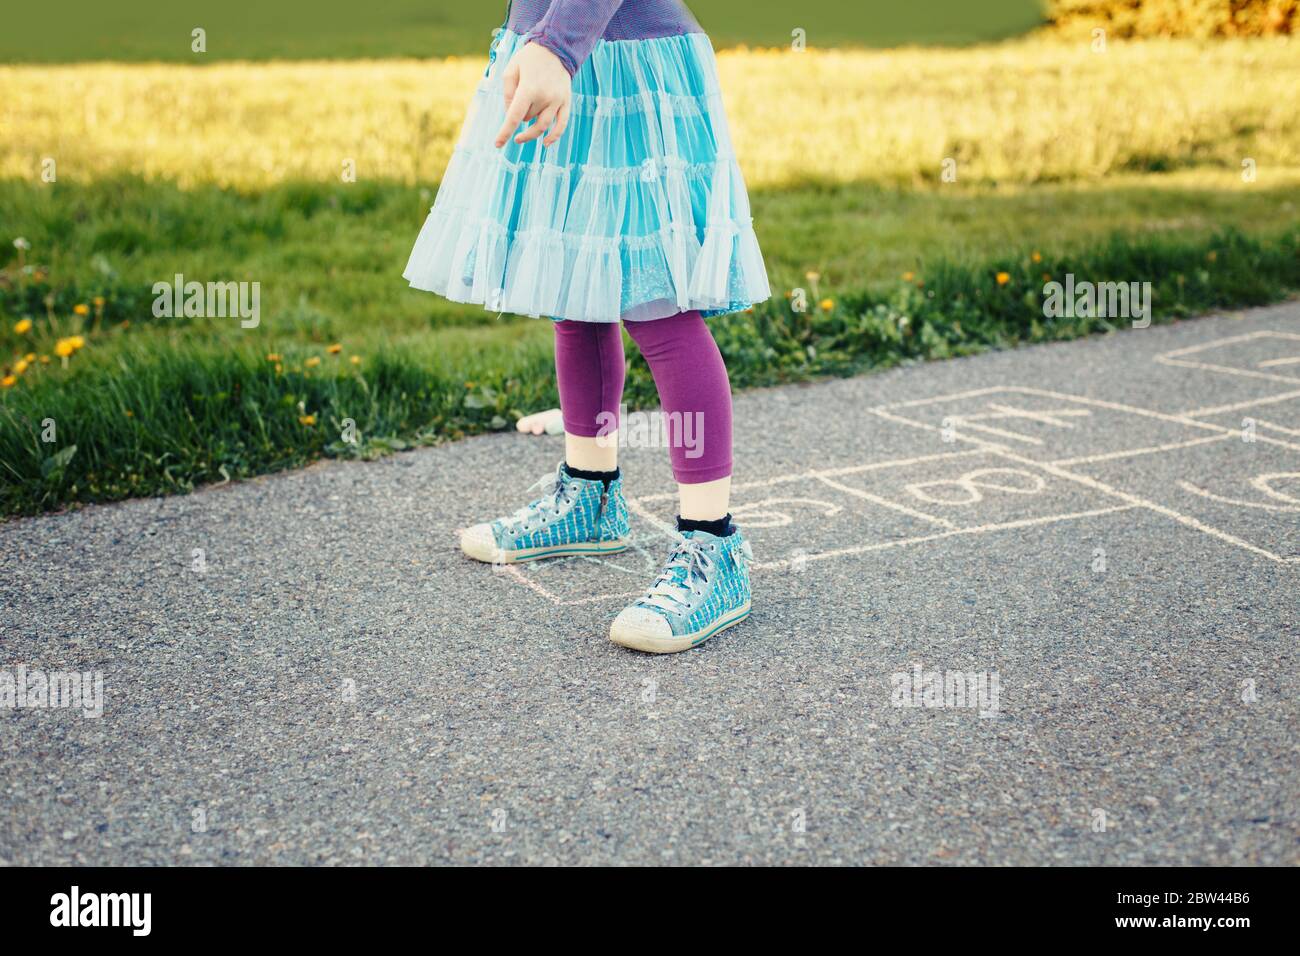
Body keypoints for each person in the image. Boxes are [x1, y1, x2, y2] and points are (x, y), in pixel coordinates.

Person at [404, 0, 769, 652]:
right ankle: (591, 496)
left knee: (661, 307)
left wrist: (558, 47)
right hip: (555, 58)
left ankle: (714, 546)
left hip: (622, 66)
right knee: (575, 287)